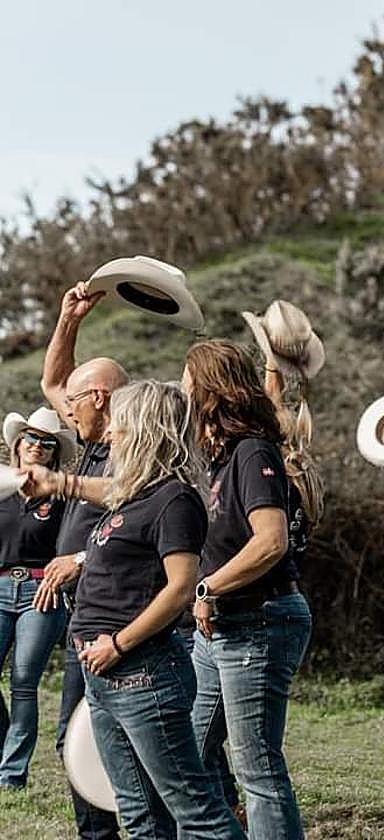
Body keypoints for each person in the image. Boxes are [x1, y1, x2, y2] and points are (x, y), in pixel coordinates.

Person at [25, 381, 245, 838]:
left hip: (139, 674)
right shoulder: (137, 493)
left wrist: (119, 643)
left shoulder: (175, 499)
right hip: (103, 676)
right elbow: (105, 490)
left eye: (119, 425)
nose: (110, 435)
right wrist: (54, 481)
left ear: (145, 430)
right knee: (141, 815)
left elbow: (182, 587)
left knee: (198, 813)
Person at [184, 339, 311, 839]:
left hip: (260, 622)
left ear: (210, 389)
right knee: (192, 751)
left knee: (257, 766)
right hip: (220, 629)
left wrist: (206, 589)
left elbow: (271, 542)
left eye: (187, 379)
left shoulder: (253, 451)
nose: (181, 389)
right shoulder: (213, 457)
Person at [37, 279, 128, 837]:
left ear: (98, 397)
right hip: (82, 618)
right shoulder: (92, 439)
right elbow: (52, 380)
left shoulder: (139, 447)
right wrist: (69, 318)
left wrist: (82, 560)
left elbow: (147, 536)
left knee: (122, 741)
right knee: (75, 740)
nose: (64, 412)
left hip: (123, 620)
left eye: (74, 403)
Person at [0, 407, 71, 790]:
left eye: (48, 443)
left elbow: (77, 540)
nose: (38, 447)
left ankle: (11, 775)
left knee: (24, 682)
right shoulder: (1, 484)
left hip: (41, 591)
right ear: (18, 442)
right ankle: (3, 752)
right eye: (32, 438)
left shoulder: (62, 494)